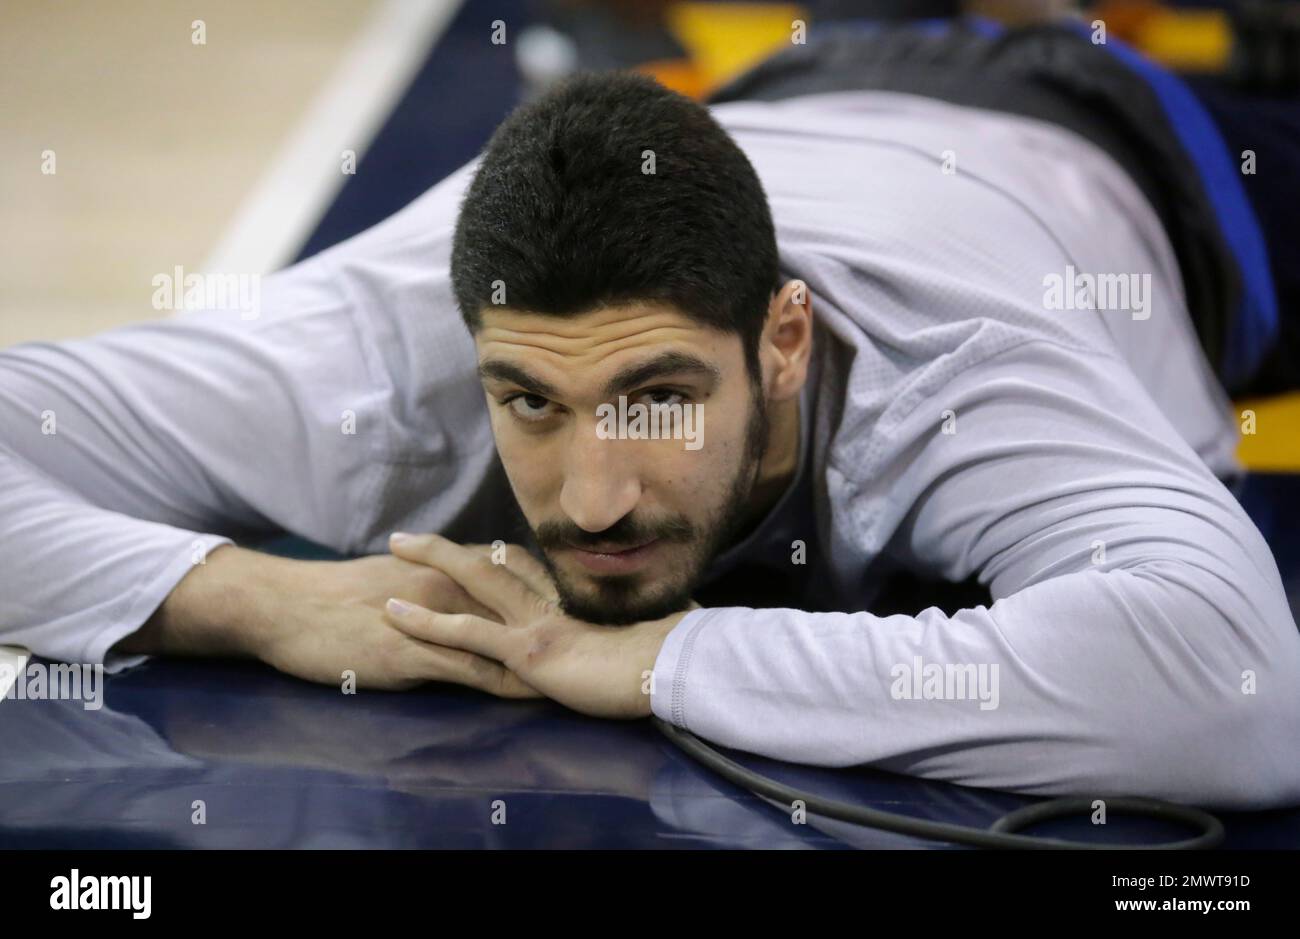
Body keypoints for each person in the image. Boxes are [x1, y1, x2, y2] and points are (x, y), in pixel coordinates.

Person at [2, 19, 1297, 808]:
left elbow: (1241, 700)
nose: (591, 498)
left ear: (785, 342)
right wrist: (261, 601)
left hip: (1120, 149)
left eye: (656, 399)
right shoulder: (377, 354)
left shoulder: (953, 373)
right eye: (531, 402)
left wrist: (657, 659)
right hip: (780, 99)